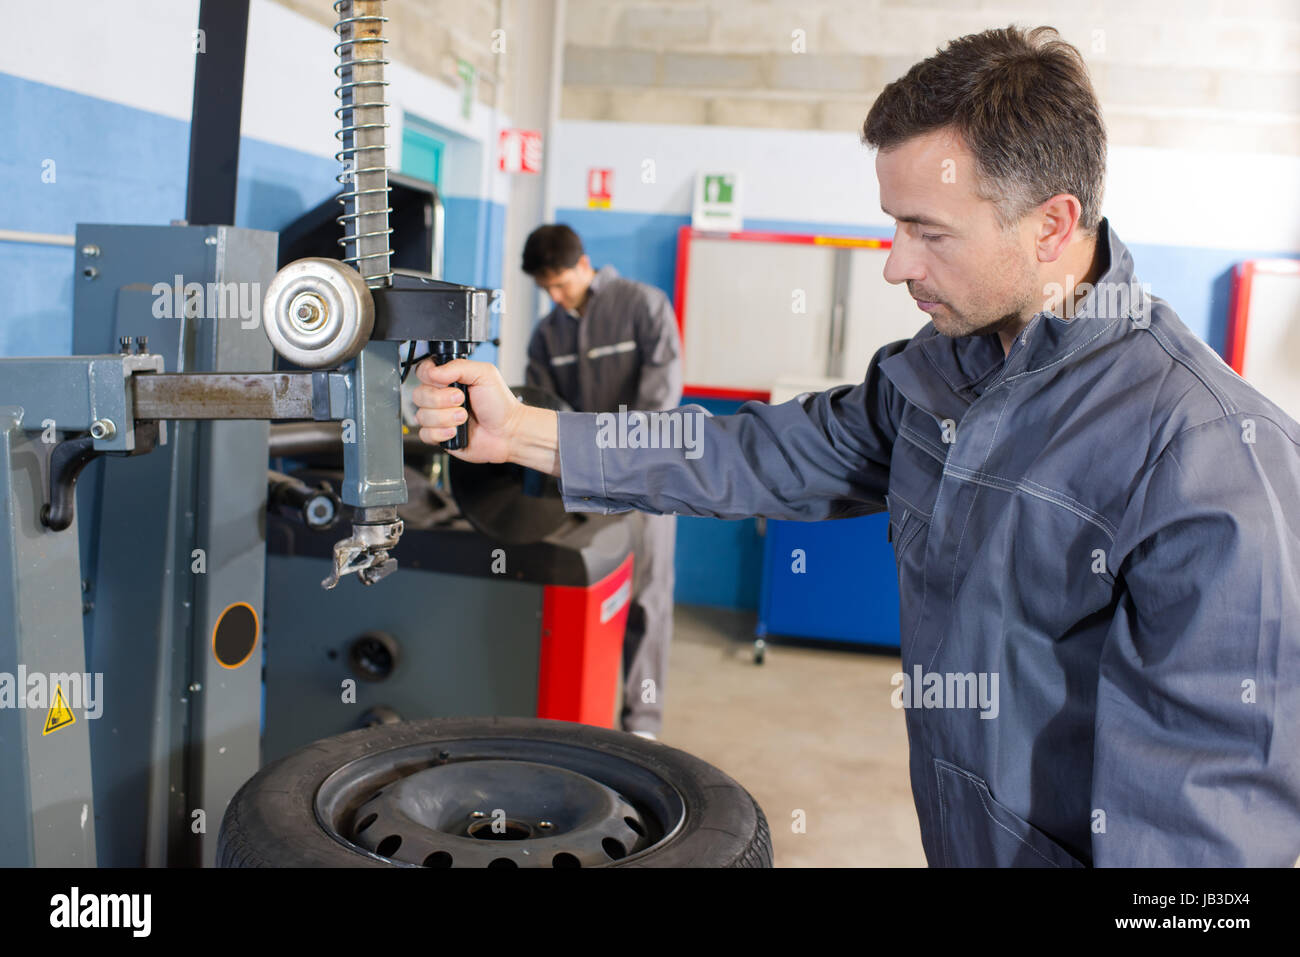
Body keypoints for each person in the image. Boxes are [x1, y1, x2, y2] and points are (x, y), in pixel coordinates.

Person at [411, 25, 1300, 866]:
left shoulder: (1211, 464)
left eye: (929, 231)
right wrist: (522, 430)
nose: (895, 263)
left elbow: (1203, 861)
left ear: (1052, 225)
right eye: (895, 223)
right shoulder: (942, 372)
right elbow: (749, 453)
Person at [519, 224, 683, 740]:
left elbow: (661, 399)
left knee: (646, 602)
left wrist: (615, 459)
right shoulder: (548, 335)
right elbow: (542, 410)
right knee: (586, 597)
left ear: (584, 264)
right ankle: (578, 720)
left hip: (646, 486)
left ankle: (642, 726)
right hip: (581, 492)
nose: (555, 296)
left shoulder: (644, 306)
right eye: (546, 288)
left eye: (561, 283)